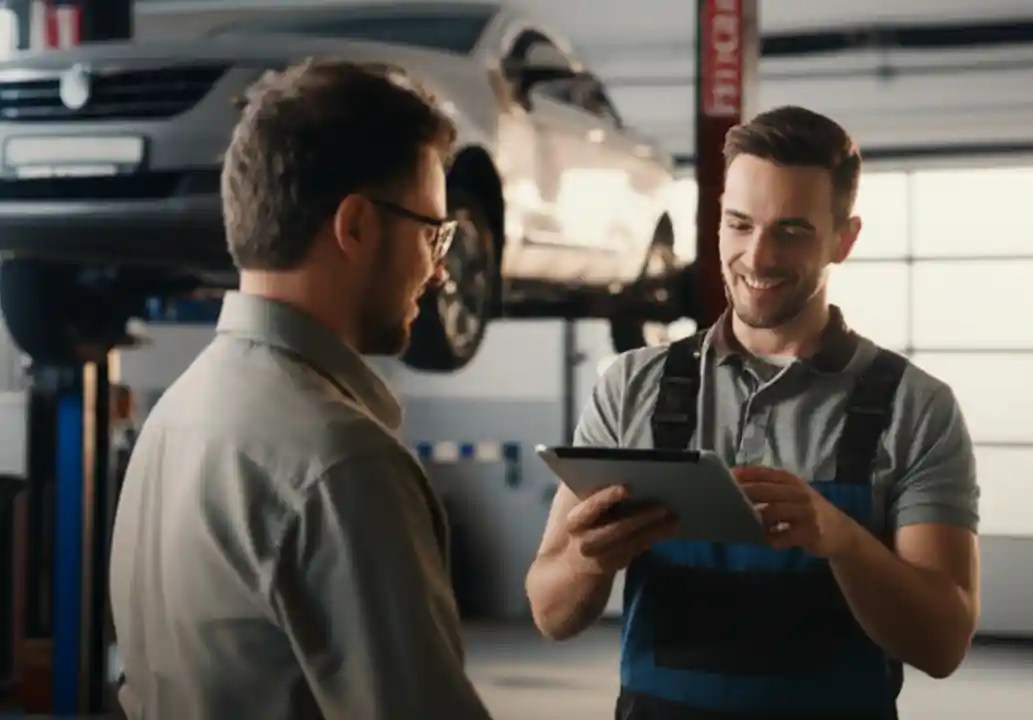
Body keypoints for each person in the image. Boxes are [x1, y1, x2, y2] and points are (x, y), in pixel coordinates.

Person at [525, 105, 981, 719]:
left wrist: (843, 541)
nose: (758, 257)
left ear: (844, 240)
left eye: (791, 231)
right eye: (739, 225)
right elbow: (550, 614)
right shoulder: (631, 388)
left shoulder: (916, 407)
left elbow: (943, 643)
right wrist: (589, 558)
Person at [108, 59, 491, 720]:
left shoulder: (178, 414)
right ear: (356, 226)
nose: (438, 272)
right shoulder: (341, 463)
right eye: (432, 233)